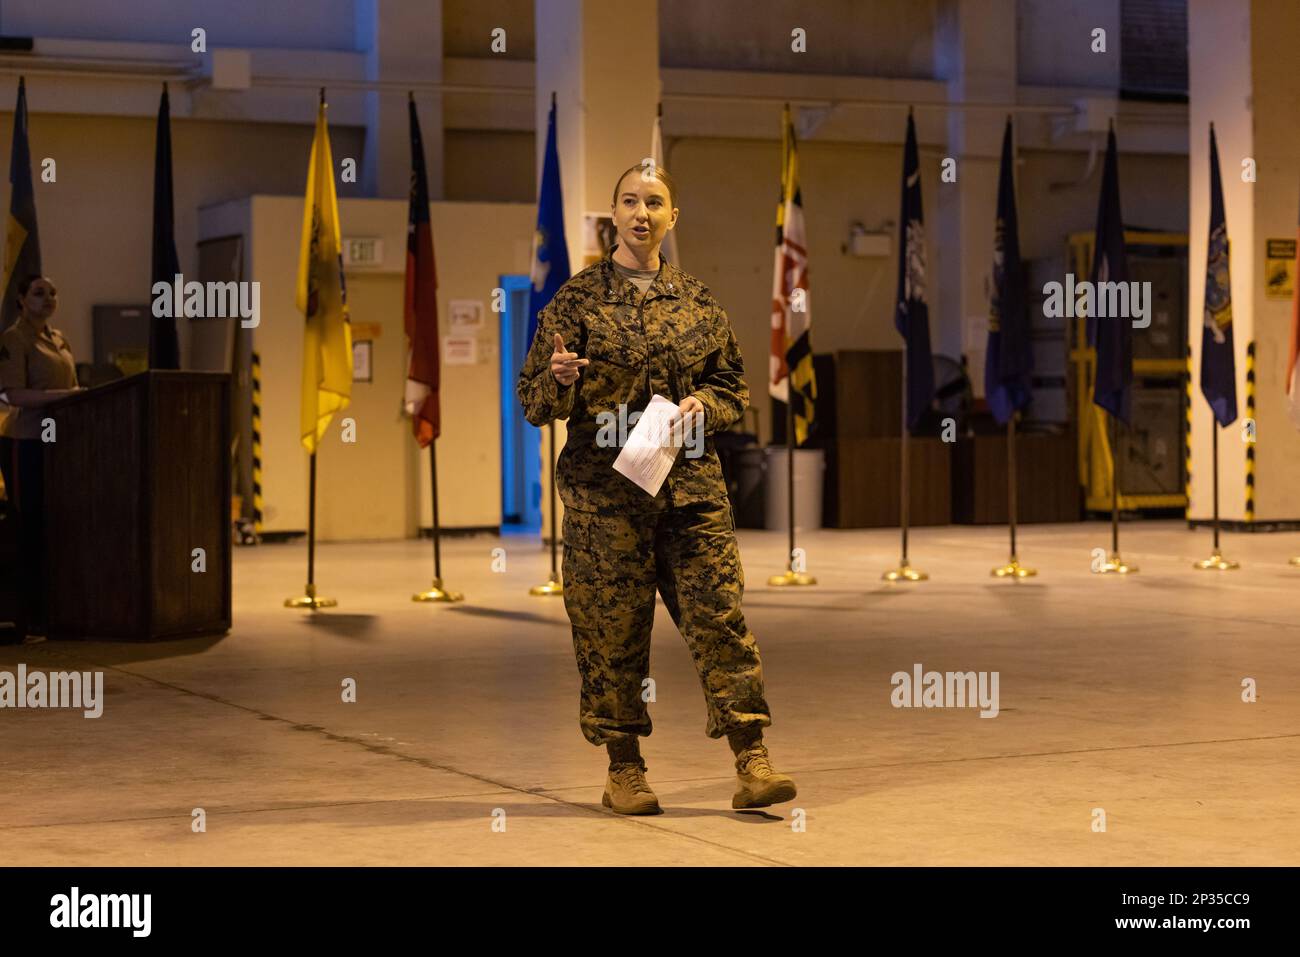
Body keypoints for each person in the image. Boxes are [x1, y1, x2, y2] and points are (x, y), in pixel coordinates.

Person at [517, 163, 797, 815]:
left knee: (720, 618)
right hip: (604, 500)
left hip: (690, 492)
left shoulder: (700, 303)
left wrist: (706, 401)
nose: (642, 213)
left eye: (656, 203)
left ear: (673, 218)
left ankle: (751, 757)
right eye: (630, 201)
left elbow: (734, 386)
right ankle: (625, 769)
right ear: (612, 215)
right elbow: (533, 399)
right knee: (612, 633)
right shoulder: (576, 301)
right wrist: (558, 378)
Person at [0, 276, 80, 642]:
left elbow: (72, 390)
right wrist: (64, 396)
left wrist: (73, 397)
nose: (48, 298)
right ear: (20, 300)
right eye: (38, 293)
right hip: (27, 441)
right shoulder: (13, 340)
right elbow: (13, 394)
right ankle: (29, 617)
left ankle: (58, 610)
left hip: (59, 444)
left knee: (57, 526)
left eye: (53, 292)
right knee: (29, 526)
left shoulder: (59, 339)